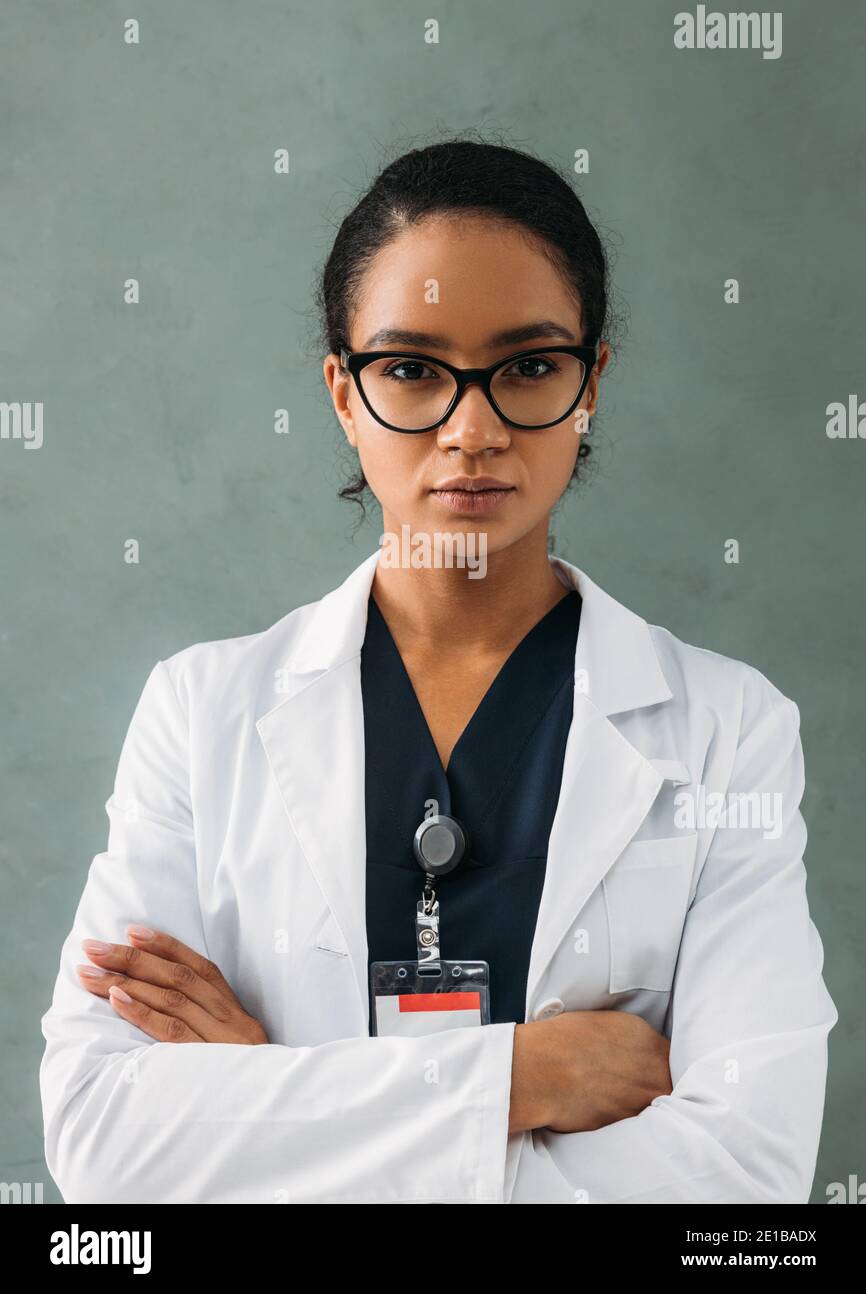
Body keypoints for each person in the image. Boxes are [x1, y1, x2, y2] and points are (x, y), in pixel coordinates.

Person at [39, 138, 836, 1204]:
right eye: (411, 370)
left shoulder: (726, 728)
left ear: (590, 382)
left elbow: (743, 1183)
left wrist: (269, 1094)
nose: (472, 429)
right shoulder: (201, 712)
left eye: (528, 367)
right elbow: (104, 1137)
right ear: (340, 392)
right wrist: (519, 1077)